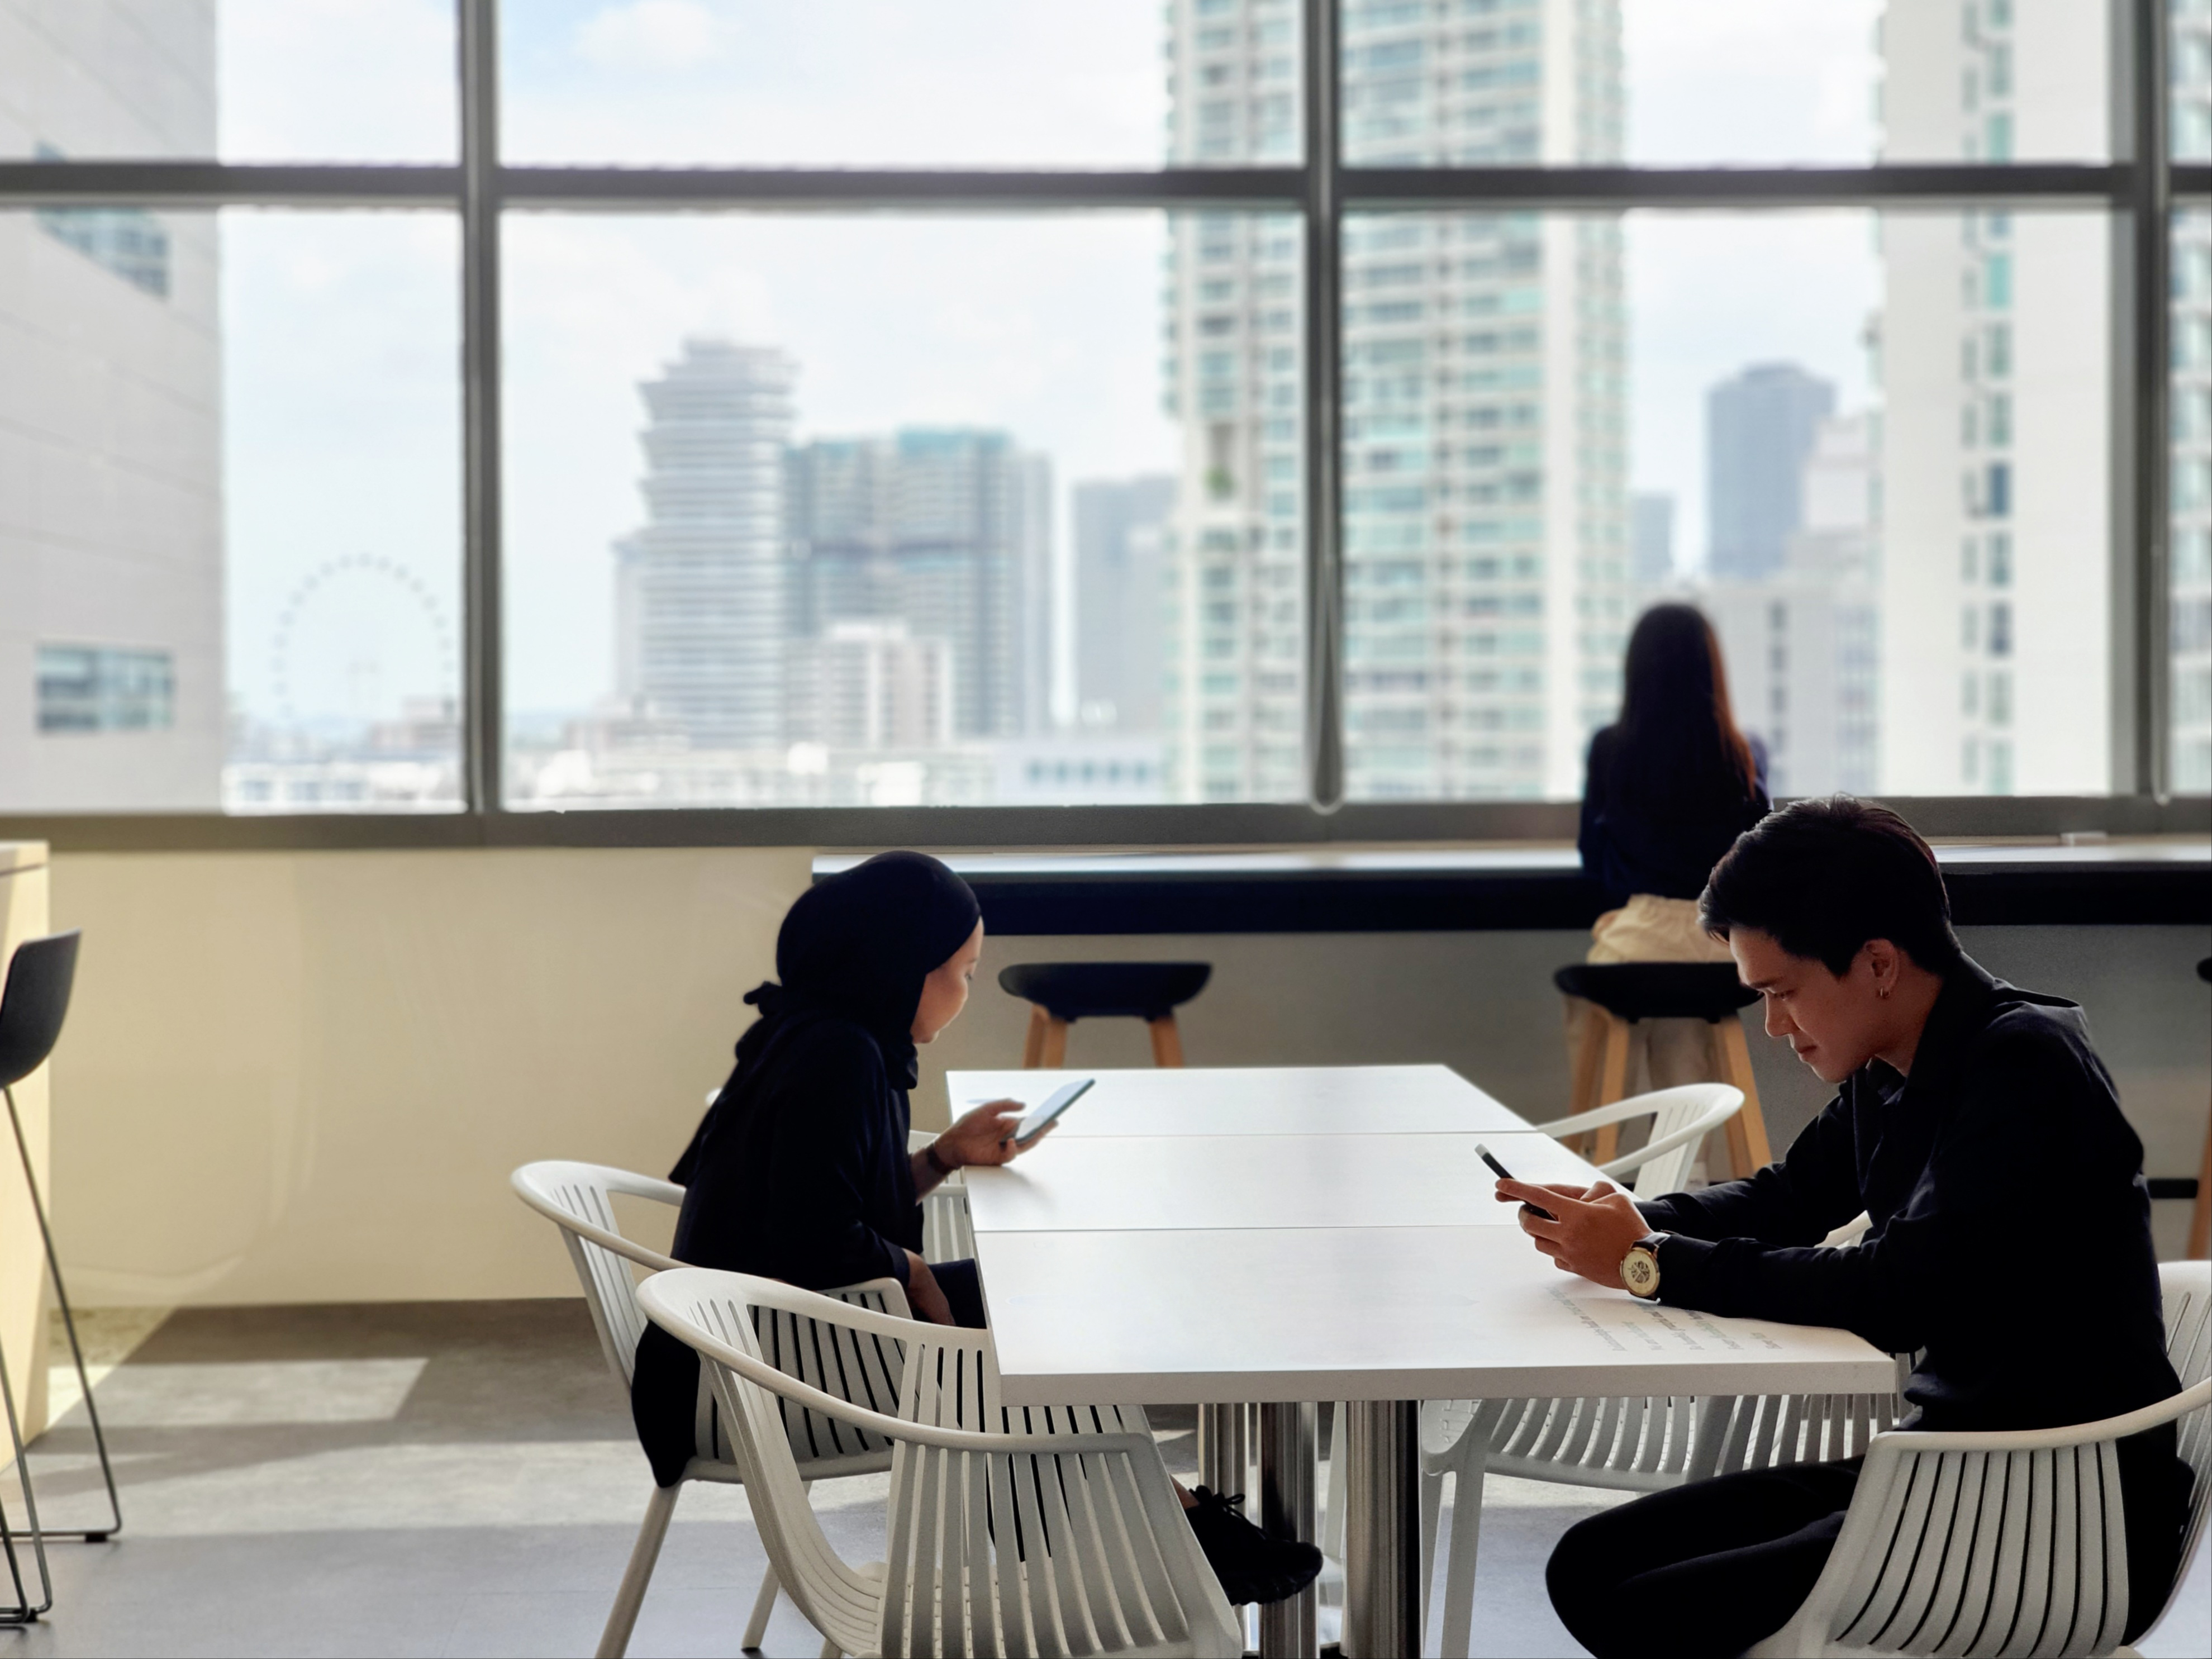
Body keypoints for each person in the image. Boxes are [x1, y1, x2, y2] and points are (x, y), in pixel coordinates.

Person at [1495, 798, 2189, 1659]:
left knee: (1645, 1608)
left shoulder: (2023, 1066)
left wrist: (1649, 1262)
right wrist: (1616, 1219)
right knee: (1587, 1566)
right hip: (1950, 1470)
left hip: (2063, 1509)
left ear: (1877, 964)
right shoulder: (1896, 1064)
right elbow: (1785, 1196)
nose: (1774, 1027)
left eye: (1781, 993)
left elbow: (1896, 1293)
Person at [631, 850, 1322, 1609]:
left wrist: (937, 1158)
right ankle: (1153, 1545)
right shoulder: (840, 1056)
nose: (964, 992)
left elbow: (820, 1207)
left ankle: (1142, 1542)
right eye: (961, 971)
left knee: (1025, 1313)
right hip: (747, 1380)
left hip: (749, 1344)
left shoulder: (822, 1032)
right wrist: (916, 1273)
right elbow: (808, 1235)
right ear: (903, 967)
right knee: (1024, 1326)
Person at [1572, 603, 1771, 1095]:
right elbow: (1757, 863)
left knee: (1605, 1001)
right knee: (1685, 1012)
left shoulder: (1609, 748)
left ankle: (1596, 1148)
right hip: (1721, 947)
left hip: (1643, 930)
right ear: (1712, 668)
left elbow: (1594, 858)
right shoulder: (1744, 752)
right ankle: (1690, 1159)